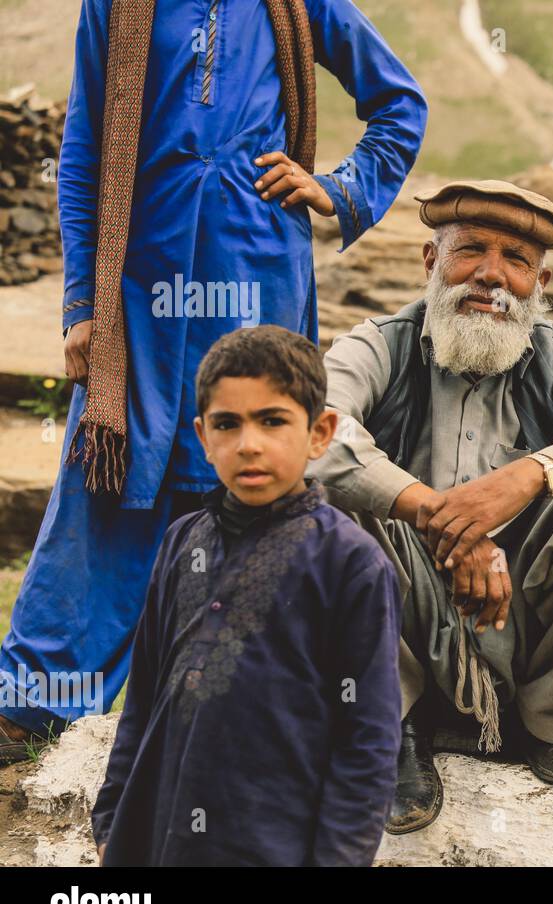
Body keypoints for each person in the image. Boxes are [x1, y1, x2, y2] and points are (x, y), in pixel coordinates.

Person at [0, 0, 427, 762]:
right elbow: (83, 152)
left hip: (254, 272)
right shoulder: (116, 5)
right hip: (139, 280)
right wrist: (80, 305)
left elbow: (398, 102)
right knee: (106, 474)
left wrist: (338, 185)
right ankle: (37, 699)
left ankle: (229, 689)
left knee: (243, 473)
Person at [308, 179, 553, 833]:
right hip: (401, 595)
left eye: (516, 260)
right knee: (331, 507)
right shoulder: (378, 344)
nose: (490, 274)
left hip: (518, 611)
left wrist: (530, 477)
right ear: (431, 263)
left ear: (541, 283)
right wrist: (439, 514)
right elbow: (318, 429)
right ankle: (386, 727)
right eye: (471, 250)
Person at [92, 325, 401, 866]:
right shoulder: (182, 542)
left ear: (320, 433)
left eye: (273, 421)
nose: (249, 444)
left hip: (273, 841)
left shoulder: (350, 563)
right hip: (161, 833)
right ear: (203, 437)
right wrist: (113, 818)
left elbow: (368, 739)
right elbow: (142, 697)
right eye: (227, 425)